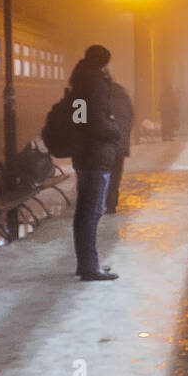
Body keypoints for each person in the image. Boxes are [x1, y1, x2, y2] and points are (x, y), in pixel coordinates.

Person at [69, 44, 121, 281]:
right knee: (92, 212)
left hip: (83, 153)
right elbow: (97, 124)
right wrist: (115, 129)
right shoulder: (96, 84)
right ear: (104, 63)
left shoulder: (79, 81)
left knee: (84, 212)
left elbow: (80, 121)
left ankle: (87, 263)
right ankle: (90, 267)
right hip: (95, 155)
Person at [106, 79, 134, 213]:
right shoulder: (122, 92)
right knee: (115, 174)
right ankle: (111, 203)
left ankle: (100, 203)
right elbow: (131, 116)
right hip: (120, 142)